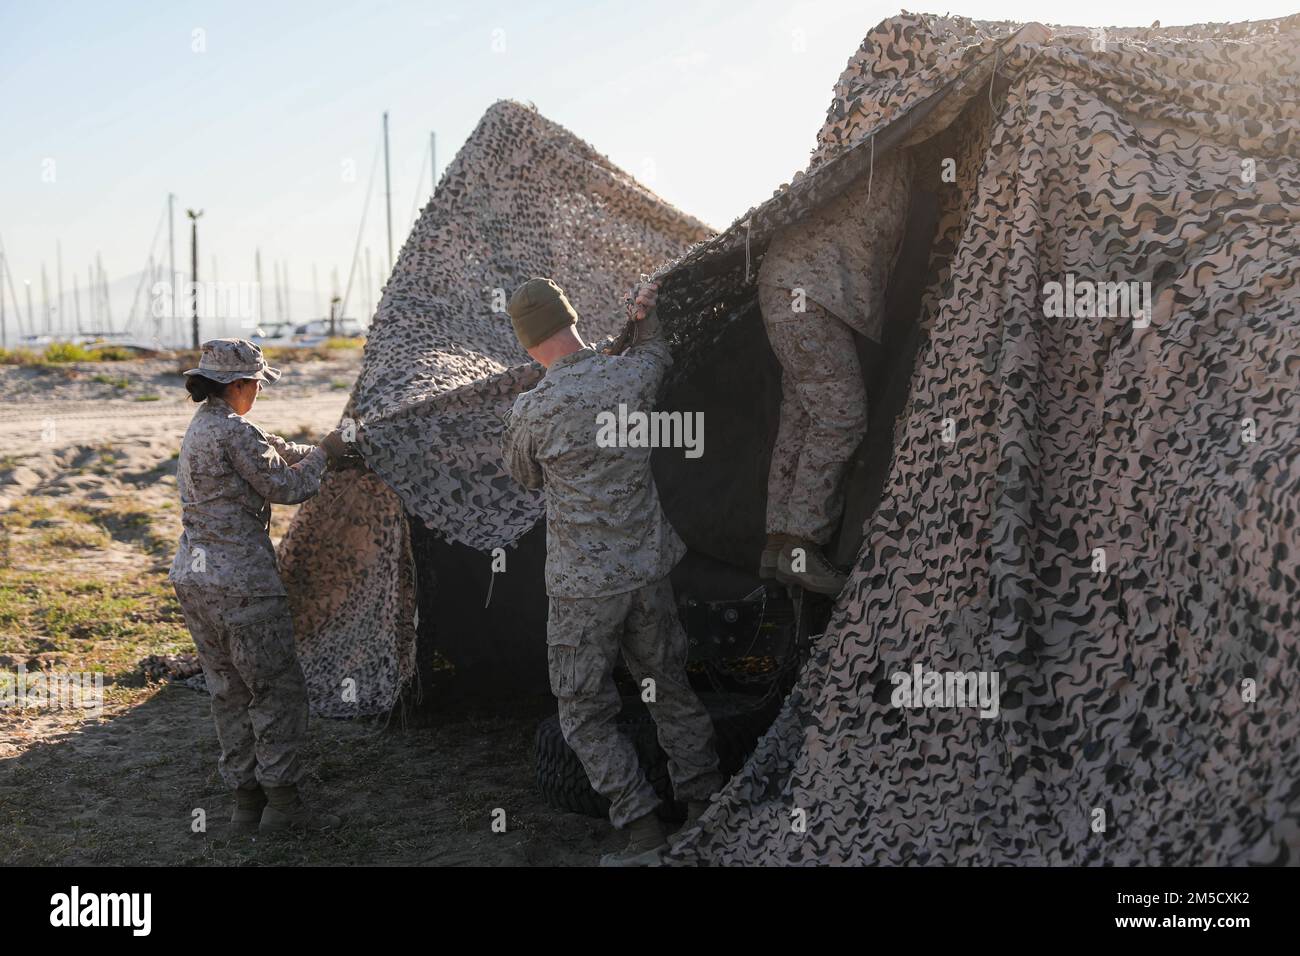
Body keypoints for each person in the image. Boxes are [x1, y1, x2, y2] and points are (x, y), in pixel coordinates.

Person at [502, 277, 721, 866]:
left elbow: (525, 478)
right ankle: (704, 813)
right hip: (648, 571)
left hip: (582, 589)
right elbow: (655, 350)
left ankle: (642, 830)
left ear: (527, 344)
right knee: (670, 692)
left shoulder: (533, 409)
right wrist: (641, 321)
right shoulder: (630, 375)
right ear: (570, 317)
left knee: (583, 711)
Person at [169, 338, 351, 833]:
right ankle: (283, 805)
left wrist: (319, 452)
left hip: (197, 580)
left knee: (228, 690)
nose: (258, 394)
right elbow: (287, 486)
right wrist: (329, 455)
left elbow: (271, 451)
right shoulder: (234, 431)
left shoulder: (207, 426)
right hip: (243, 585)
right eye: (256, 385)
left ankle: (245, 802)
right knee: (275, 691)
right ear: (240, 385)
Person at [756, 150, 913, 595]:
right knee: (840, 416)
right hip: (808, 294)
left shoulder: (861, 143)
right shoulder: (882, 138)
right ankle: (801, 546)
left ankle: (779, 541)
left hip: (793, 289)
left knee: (803, 414)